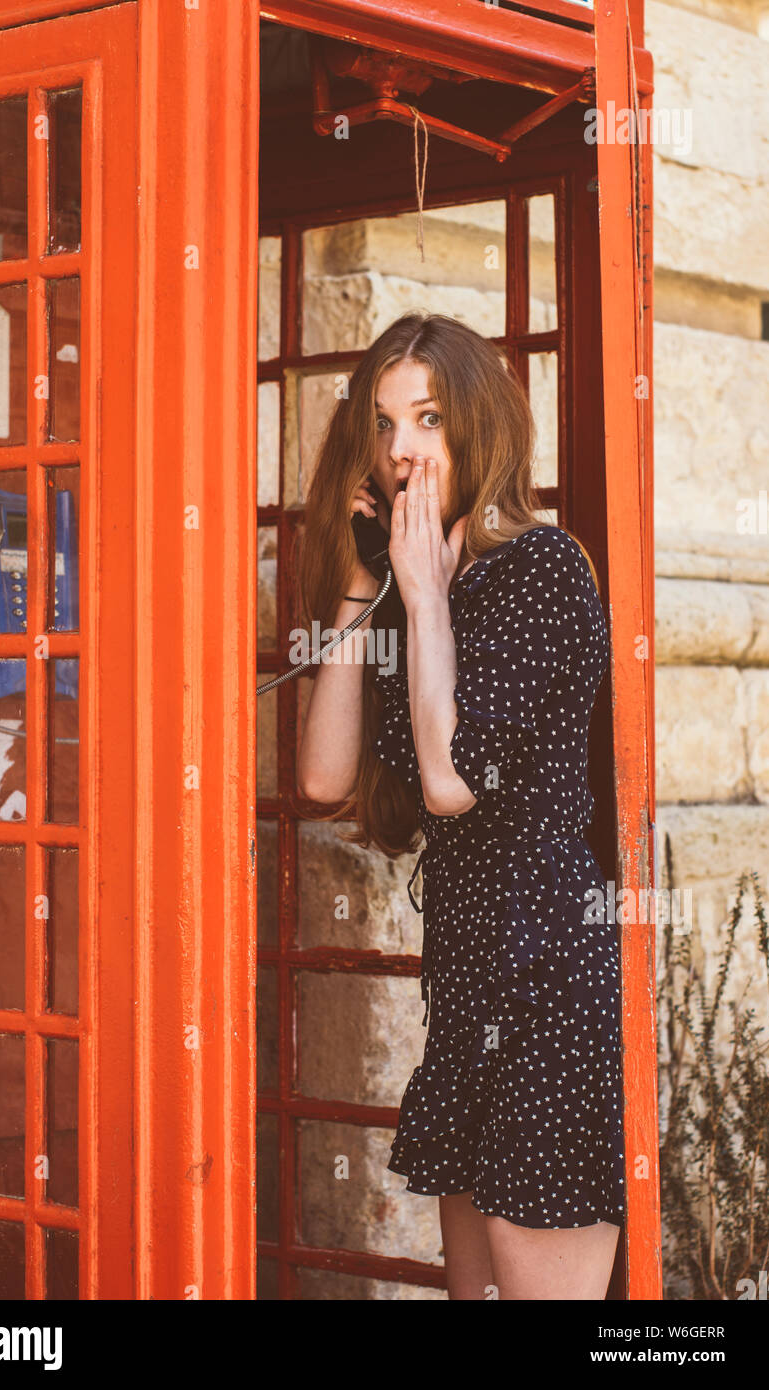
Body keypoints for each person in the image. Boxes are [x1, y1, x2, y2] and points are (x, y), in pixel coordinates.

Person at [296, 311, 625, 1300]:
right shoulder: (413, 584)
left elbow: (450, 778)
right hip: (471, 996)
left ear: (477, 425)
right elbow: (321, 778)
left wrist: (426, 600)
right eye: (386, 422)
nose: (402, 447)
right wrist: (364, 586)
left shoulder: (541, 571)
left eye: (429, 418)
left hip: (551, 992)